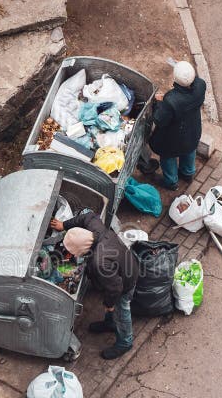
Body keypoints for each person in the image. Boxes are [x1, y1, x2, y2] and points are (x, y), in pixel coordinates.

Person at [50, 212, 139, 360]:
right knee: (112, 305)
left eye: (73, 253)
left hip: (126, 280)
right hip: (123, 263)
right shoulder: (96, 229)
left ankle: (125, 342)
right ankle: (110, 323)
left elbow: (116, 288)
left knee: (121, 309)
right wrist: (64, 225)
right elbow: (87, 216)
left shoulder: (100, 262)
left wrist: (109, 305)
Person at [148, 60, 206, 190]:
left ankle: (171, 182)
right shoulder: (201, 86)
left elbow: (159, 119)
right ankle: (187, 174)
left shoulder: (171, 100)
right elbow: (195, 81)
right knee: (189, 150)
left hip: (172, 138)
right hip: (192, 131)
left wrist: (158, 103)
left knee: (168, 156)